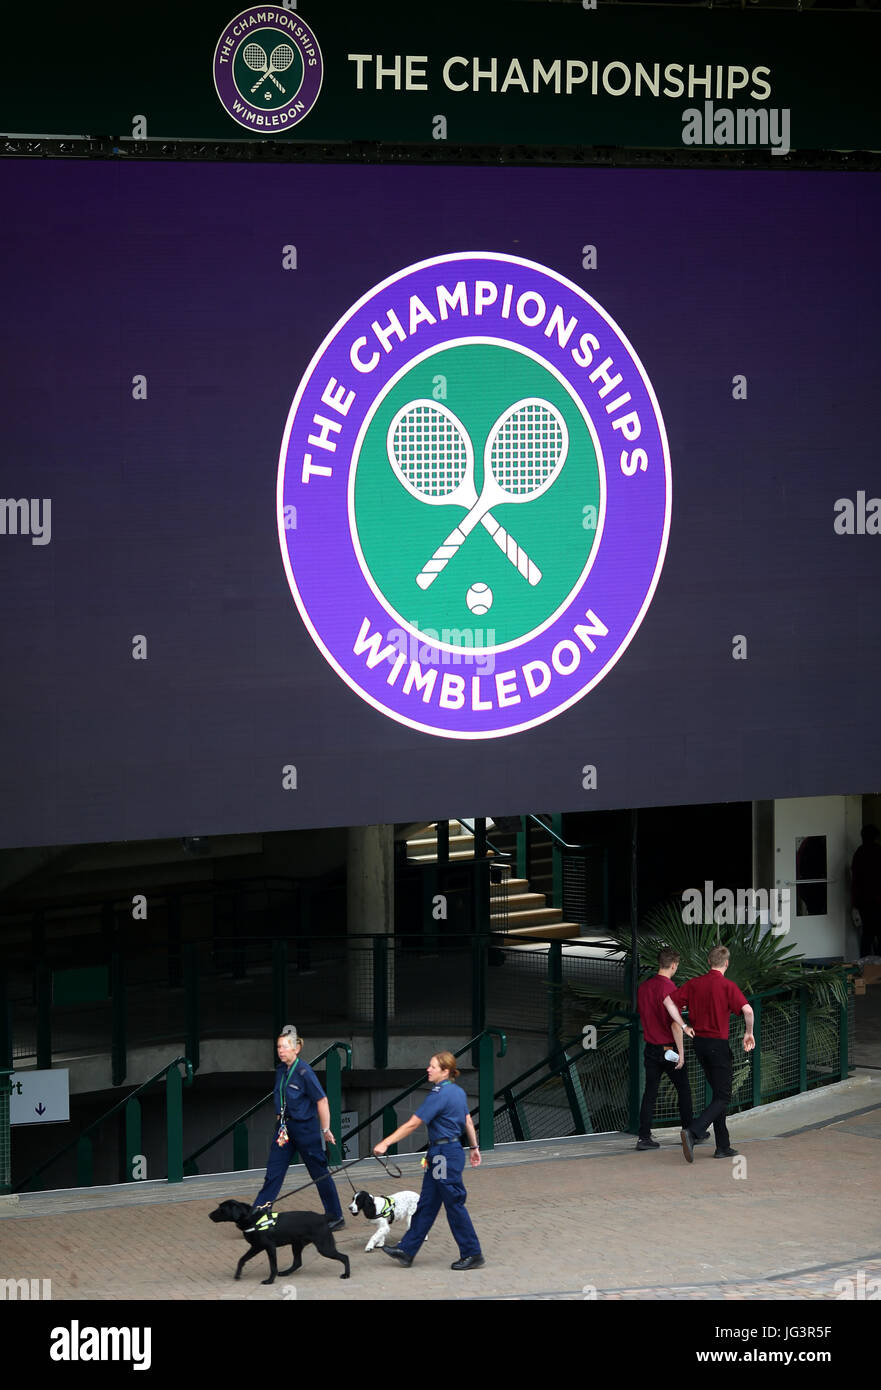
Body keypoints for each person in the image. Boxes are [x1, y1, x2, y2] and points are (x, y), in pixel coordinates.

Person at [373, 1051, 484, 1270]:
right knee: (427, 1204)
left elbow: (413, 1124)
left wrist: (385, 1143)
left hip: (443, 1155)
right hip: (444, 1154)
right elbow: (467, 1120)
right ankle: (407, 1250)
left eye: (432, 1066)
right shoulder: (458, 1092)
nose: (428, 1069)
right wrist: (474, 1147)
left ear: (445, 1071)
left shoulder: (438, 1094)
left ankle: (472, 1252)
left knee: (453, 1203)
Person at [252, 1026, 343, 1228]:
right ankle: (258, 1214)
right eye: (278, 1046)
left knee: (319, 1172)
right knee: (274, 1172)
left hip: (305, 1129)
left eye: (285, 1047)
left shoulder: (304, 1072)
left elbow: (322, 1101)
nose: (281, 1050)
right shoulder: (280, 1070)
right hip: (284, 1128)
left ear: (296, 1049)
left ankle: (335, 1215)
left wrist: (326, 1130)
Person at [674, 946, 755, 1162]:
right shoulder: (727, 986)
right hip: (717, 1044)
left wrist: (683, 1025)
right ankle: (694, 1131)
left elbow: (671, 1003)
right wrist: (749, 1033)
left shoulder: (694, 984)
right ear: (726, 963)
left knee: (719, 1093)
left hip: (698, 1043)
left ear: (708, 961)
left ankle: (723, 1145)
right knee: (724, 1095)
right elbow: (748, 1010)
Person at [635, 947, 696, 1150]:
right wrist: (681, 1054)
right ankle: (689, 1132)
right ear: (673, 965)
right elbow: (674, 1024)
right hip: (668, 1048)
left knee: (650, 1092)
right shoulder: (670, 989)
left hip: (650, 1047)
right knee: (683, 1089)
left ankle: (644, 1137)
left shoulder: (643, 988)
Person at [852, 824, 881, 958]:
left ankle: (864, 964)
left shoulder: (859, 853)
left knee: (867, 933)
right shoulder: (878, 851)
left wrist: (855, 902)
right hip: (877, 899)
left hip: (863, 901)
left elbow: (855, 879)